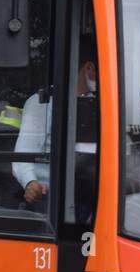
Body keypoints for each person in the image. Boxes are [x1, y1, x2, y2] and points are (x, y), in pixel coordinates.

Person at [13, 54, 98, 206]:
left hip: (89, 190)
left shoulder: (94, 103)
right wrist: (30, 183)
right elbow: (23, 154)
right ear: (89, 68)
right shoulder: (44, 102)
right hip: (51, 201)